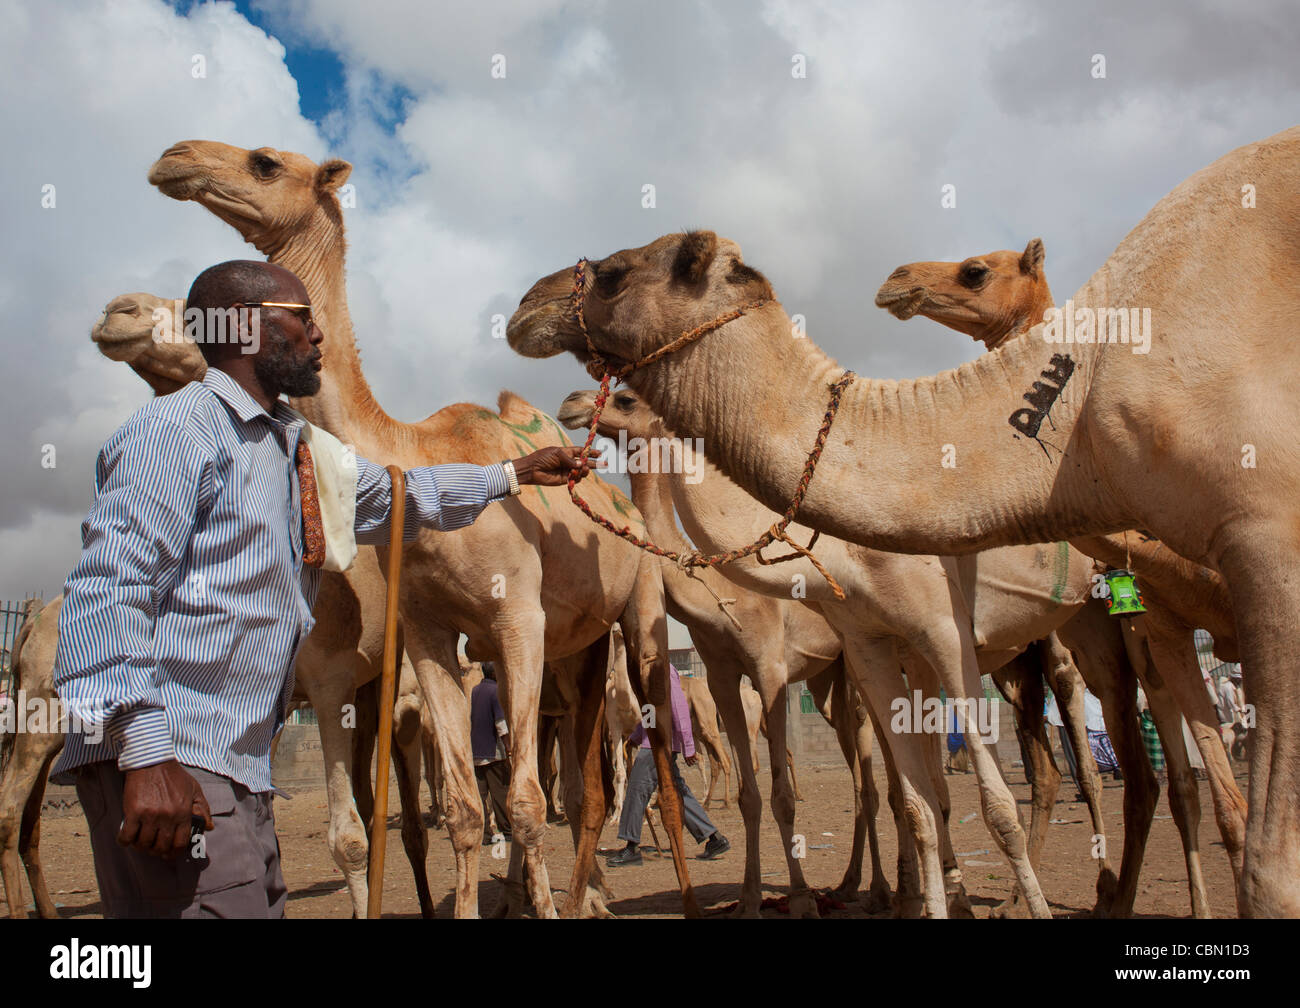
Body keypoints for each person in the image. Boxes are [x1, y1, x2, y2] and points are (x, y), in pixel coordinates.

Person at [50, 261, 587, 919]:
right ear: (247, 326)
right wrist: (143, 754)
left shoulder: (297, 449)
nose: (318, 335)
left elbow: (401, 495)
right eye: (302, 319)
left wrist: (514, 472)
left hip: (236, 768)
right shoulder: (177, 431)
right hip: (170, 761)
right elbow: (107, 591)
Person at [606, 664, 729, 866]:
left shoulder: (661, 667)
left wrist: (688, 745)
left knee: (637, 789)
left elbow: (678, 706)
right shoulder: (642, 667)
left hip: (659, 744)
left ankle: (631, 847)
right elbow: (650, 709)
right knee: (679, 793)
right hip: (653, 740)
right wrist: (637, 736)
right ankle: (714, 838)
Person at [471, 661, 512, 844]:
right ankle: (507, 830)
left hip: (475, 751)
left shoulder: (475, 691)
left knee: (480, 796)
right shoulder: (496, 691)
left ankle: (485, 834)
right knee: (500, 792)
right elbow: (501, 723)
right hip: (493, 752)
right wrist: (509, 747)